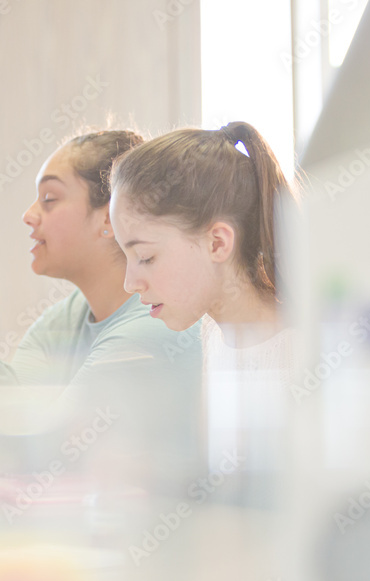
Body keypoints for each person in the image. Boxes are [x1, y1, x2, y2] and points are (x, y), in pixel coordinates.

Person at [0, 129, 201, 398]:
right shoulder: (68, 317)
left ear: (109, 217)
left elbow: (20, 438)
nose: (28, 215)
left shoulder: (155, 327)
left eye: (49, 198)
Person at [109, 121, 295, 506]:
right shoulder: (214, 339)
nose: (131, 282)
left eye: (145, 257)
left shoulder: (302, 354)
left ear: (216, 242)